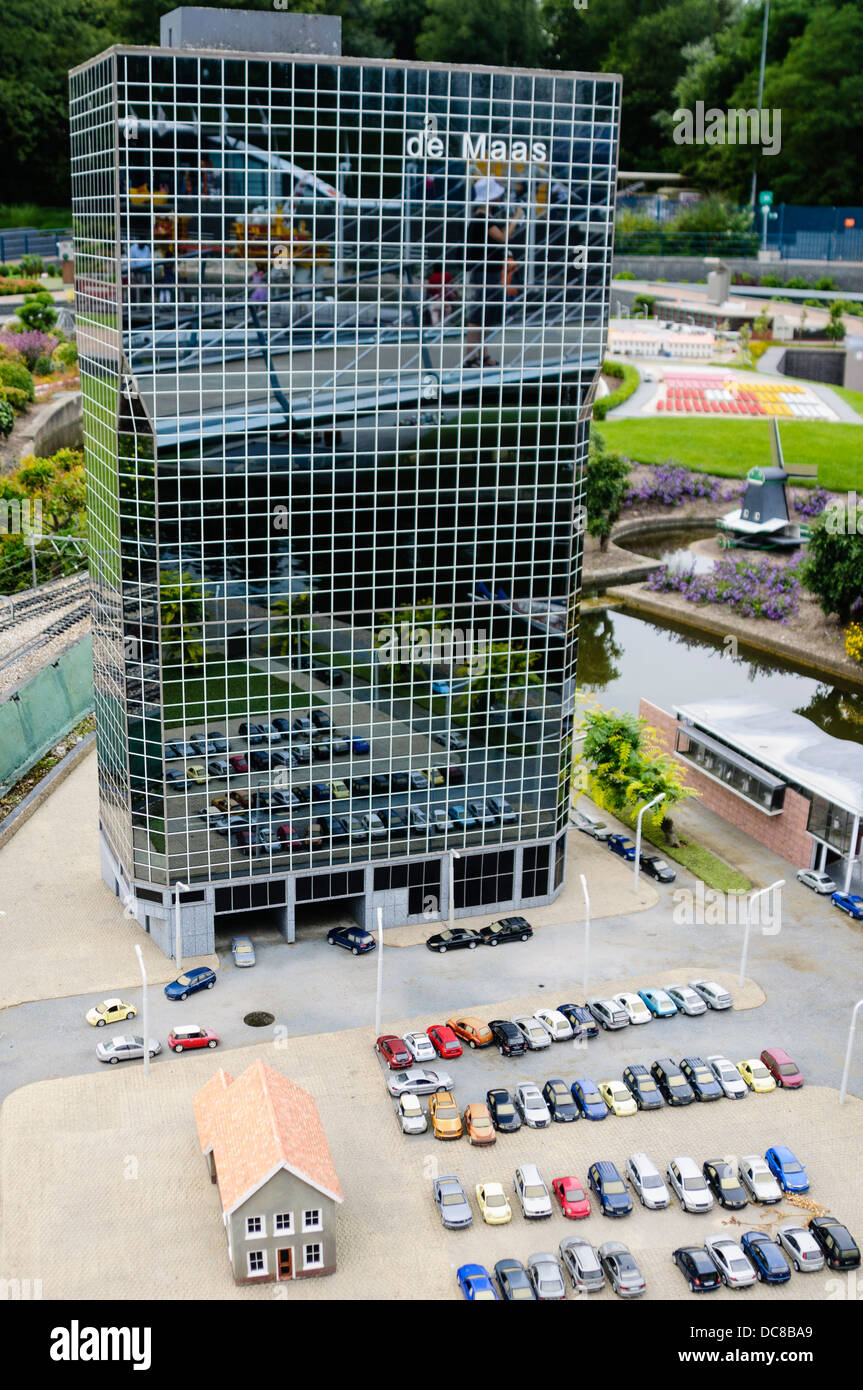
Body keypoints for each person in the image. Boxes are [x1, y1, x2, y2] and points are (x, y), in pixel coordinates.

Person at [463, 177, 523, 367]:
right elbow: (504, 237)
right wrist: (516, 217)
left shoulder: (481, 218)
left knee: (485, 316)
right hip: (486, 274)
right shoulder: (483, 219)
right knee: (478, 317)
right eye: (497, 195)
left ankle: (482, 355)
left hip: (487, 273)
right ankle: (470, 357)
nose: (500, 198)